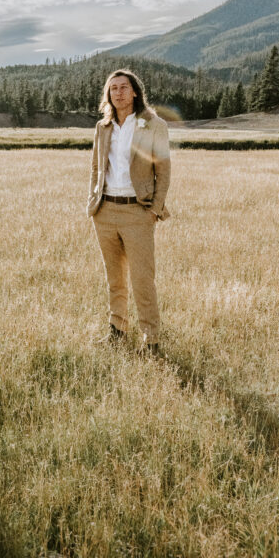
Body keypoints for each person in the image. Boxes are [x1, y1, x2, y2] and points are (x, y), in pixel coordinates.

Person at [87, 69, 171, 352]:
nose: (119, 93)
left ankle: (151, 341)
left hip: (138, 212)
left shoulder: (153, 125)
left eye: (124, 87)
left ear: (135, 92)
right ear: (108, 95)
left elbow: (163, 170)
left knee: (143, 279)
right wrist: (93, 202)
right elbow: (96, 167)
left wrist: (154, 210)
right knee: (114, 278)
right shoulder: (103, 127)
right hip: (105, 211)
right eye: (113, 88)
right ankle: (117, 332)